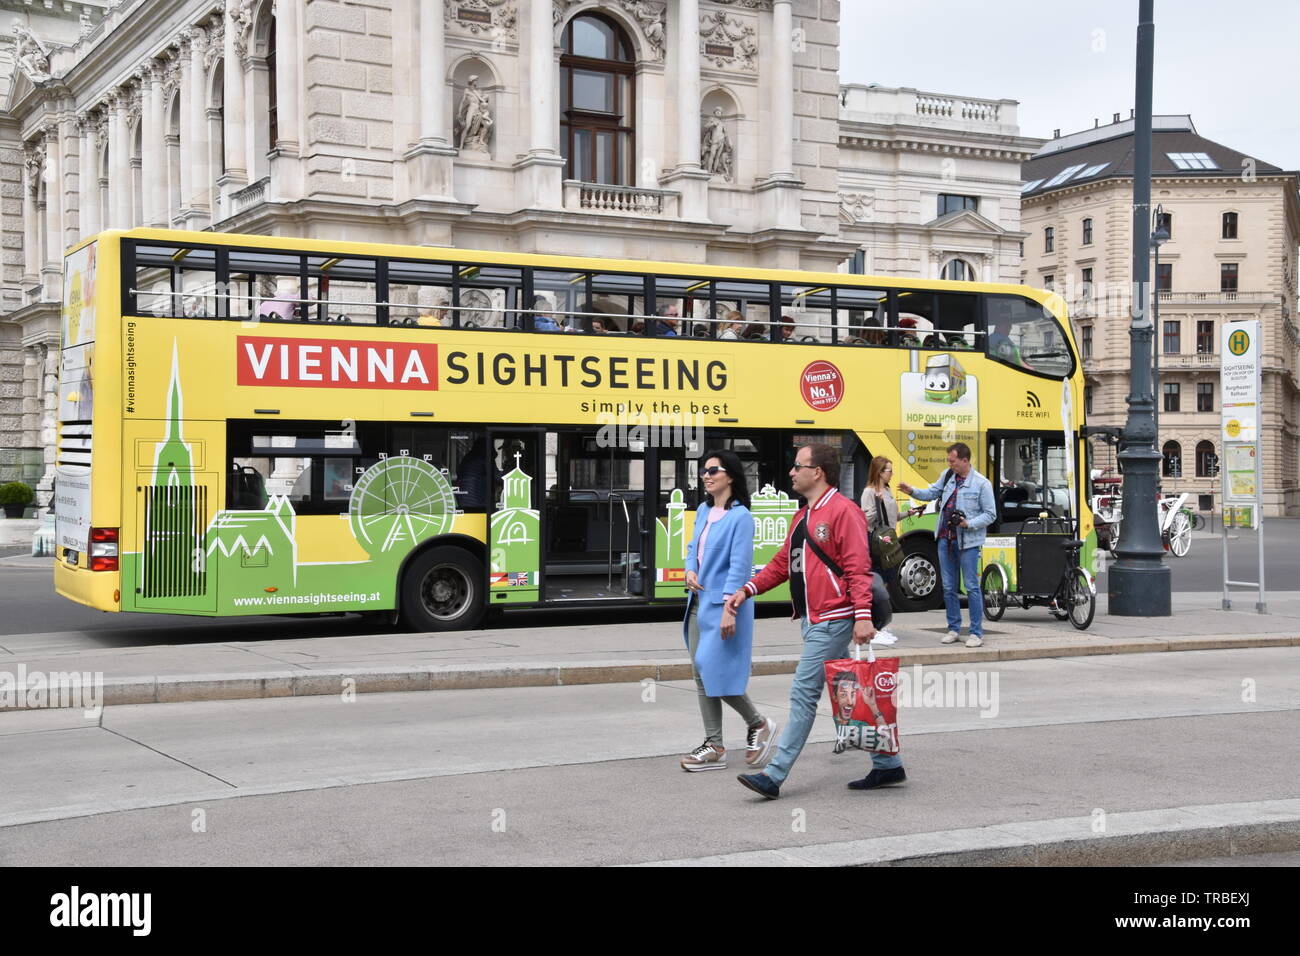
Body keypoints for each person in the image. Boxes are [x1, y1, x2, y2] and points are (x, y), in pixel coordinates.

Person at [729, 443, 906, 798]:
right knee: (851, 693)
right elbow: (782, 564)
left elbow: (858, 568)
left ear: (818, 472)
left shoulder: (844, 512)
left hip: (834, 617)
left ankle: (774, 776)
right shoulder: (802, 516)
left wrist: (861, 616)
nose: (791, 472)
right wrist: (748, 589)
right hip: (814, 620)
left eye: (798, 466)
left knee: (803, 694)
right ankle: (888, 765)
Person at [680, 450, 779, 772]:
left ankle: (757, 722)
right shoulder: (704, 510)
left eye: (713, 470)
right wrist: (689, 570)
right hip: (697, 604)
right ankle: (715, 745)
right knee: (700, 672)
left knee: (711, 670)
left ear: (731, 476)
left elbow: (740, 567)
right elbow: (694, 549)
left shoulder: (741, 517)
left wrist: (729, 610)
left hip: (723, 605)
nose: (706, 475)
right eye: (703, 471)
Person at [898, 442, 997, 647]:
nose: (949, 464)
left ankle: (976, 633)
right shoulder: (948, 476)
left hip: (968, 542)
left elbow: (990, 514)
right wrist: (912, 491)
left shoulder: (981, 484)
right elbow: (931, 493)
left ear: (965, 460)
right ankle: (953, 629)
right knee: (949, 587)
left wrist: (969, 523)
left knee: (971, 587)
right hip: (945, 539)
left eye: (952, 461)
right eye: (948, 461)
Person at [860, 455, 900, 588]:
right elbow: (865, 519)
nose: (892, 474)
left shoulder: (887, 490)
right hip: (876, 541)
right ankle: (876, 606)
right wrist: (878, 503)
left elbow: (890, 516)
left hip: (888, 539)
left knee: (890, 577)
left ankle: (883, 606)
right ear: (880, 472)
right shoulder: (869, 492)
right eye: (889, 471)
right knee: (878, 577)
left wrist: (909, 513)